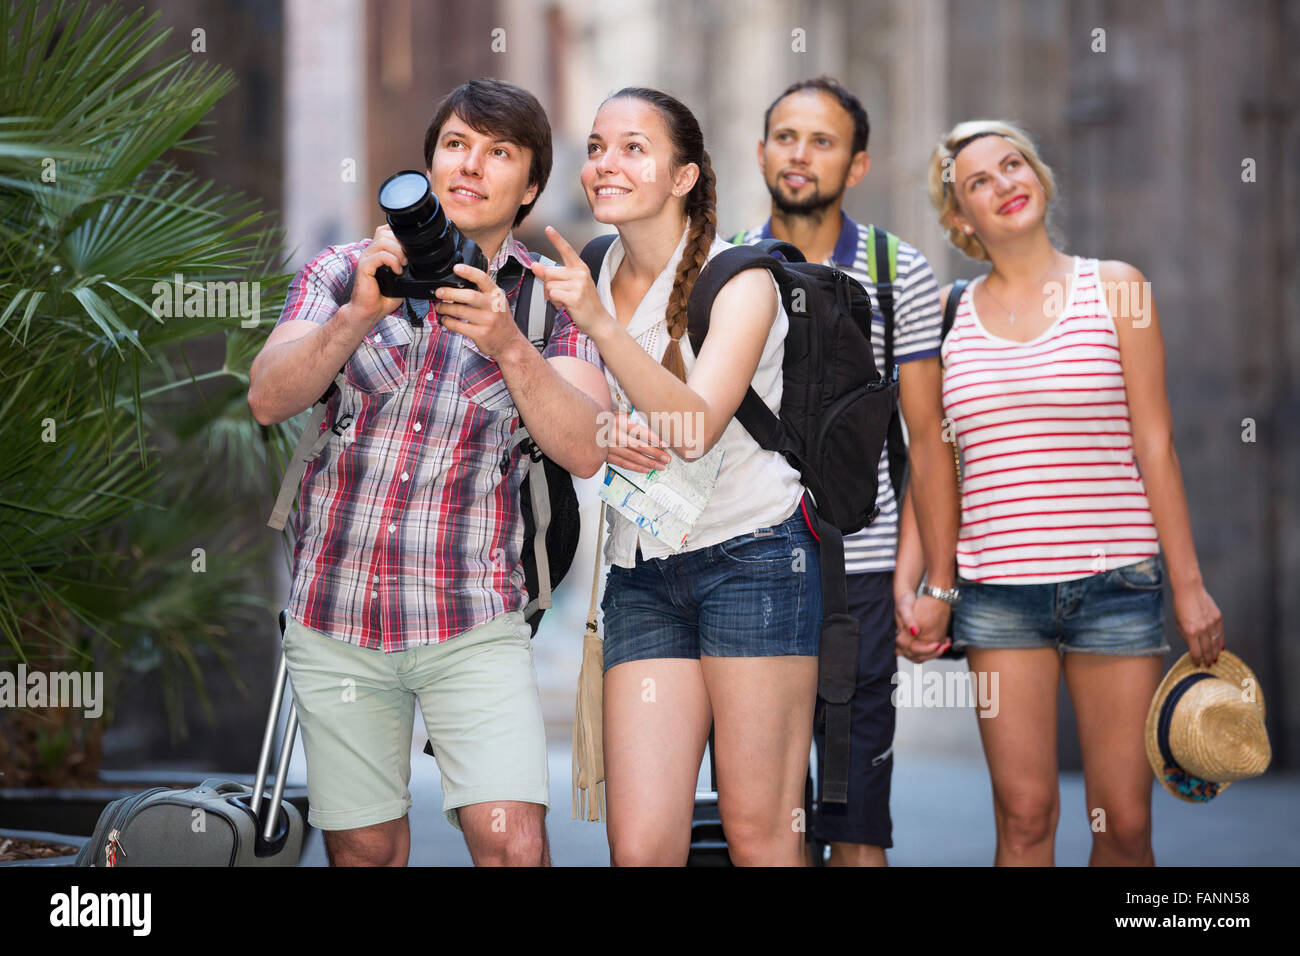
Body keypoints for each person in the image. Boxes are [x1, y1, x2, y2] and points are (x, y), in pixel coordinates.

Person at [246, 78, 611, 867]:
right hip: (337, 612)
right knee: (367, 849)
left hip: (471, 618)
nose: (471, 166)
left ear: (531, 187)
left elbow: (586, 447)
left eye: (499, 152)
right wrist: (357, 316)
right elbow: (269, 398)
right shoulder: (345, 271)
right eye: (455, 145)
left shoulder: (546, 307)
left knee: (512, 841)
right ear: (429, 165)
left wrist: (511, 347)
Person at [895, 119, 1225, 865]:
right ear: (959, 218)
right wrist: (920, 585)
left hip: (1116, 585)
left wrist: (1190, 587)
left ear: (1039, 179)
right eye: (978, 181)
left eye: (1014, 165)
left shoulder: (1118, 288)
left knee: (1125, 824)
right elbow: (932, 462)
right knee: (1024, 819)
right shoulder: (945, 316)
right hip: (998, 596)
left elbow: (1156, 446)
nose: (1004, 184)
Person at [531, 87, 820, 866]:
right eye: (595, 147)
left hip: (755, 560)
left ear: (684, 175)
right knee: (642, 845)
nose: (605, 164)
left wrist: (597, 321)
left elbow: (692, 429)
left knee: (761, 834)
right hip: (642, 569)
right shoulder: (592, 264)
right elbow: (579, 409)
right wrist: (599, 424)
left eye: (632, 147)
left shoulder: (743, 280)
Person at [735, 76, 956, 867]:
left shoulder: (903, 272)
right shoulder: (728, 265)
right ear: (761, 151)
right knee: (768, 823)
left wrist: (930, 582)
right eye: (787, 137)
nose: (800, 155)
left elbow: (928, 441)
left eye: (822, 141)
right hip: (749, 569)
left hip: (862, 577)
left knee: (859, 823)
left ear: (856, 165)